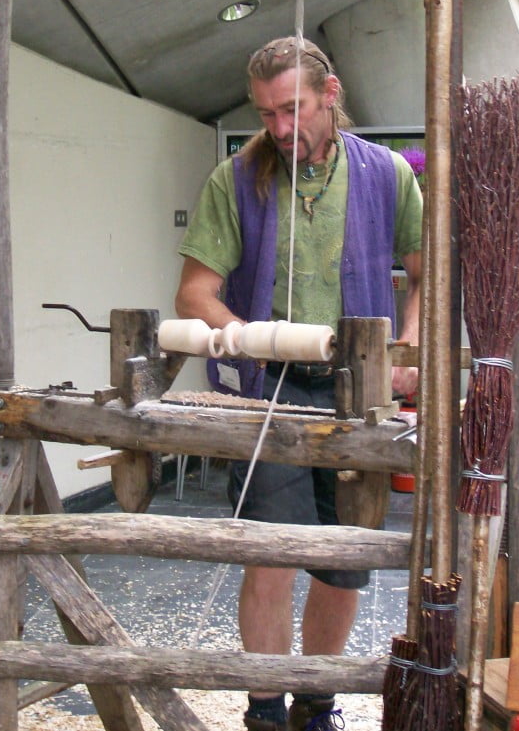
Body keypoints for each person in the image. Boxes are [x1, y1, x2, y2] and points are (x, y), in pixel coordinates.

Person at [175, 36, 422, 731]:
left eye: (293, 109)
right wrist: (250, 337)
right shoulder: (235, 179)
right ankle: (264, 709)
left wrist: (406, 348)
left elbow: (426, 274)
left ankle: (315, 704)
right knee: (271, 556)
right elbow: (194, 293)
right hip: (270, 391)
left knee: (343, 560)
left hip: (357, 394)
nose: (280, 128)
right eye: (266, 113)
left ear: (330, 94)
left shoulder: (385, 175)